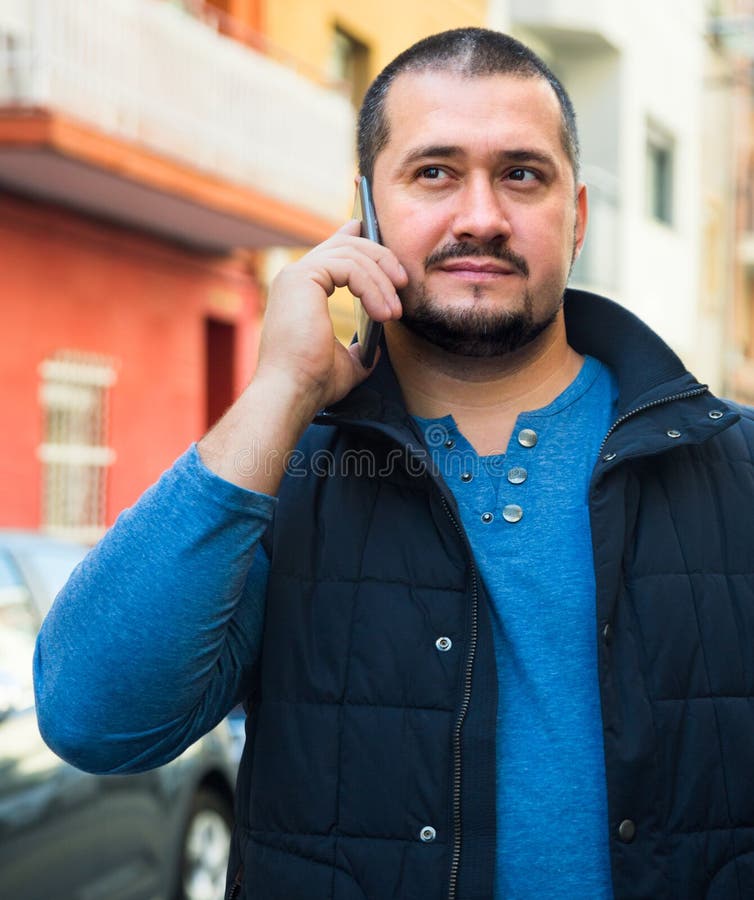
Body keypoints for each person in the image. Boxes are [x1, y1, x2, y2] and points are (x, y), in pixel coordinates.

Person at [33, 27, 754, 900]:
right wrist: (279, 393)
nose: (481, 216)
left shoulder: (733, 465)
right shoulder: (281, 474)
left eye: (522, 174)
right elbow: (94, 719)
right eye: (434, 173)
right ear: (366, 210)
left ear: (579, 216)